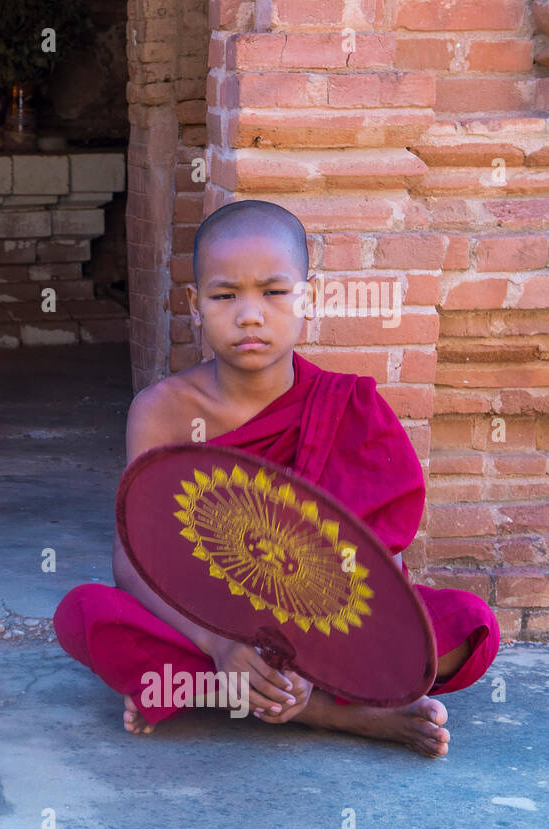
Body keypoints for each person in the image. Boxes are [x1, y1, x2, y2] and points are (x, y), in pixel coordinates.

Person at [53, 200, 499, 758]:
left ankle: (210, 693)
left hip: (330, 625)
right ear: (194, 306)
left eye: (273, 292)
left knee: (471, 626)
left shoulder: (347, 404)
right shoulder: (162, 411)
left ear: (306, 299)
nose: (249, 315)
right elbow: (132, 560)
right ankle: (343, 714)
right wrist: (218, 643)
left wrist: (316, 657)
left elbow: (381, 563)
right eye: (224, 295)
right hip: (210, 618)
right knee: (86, 614)